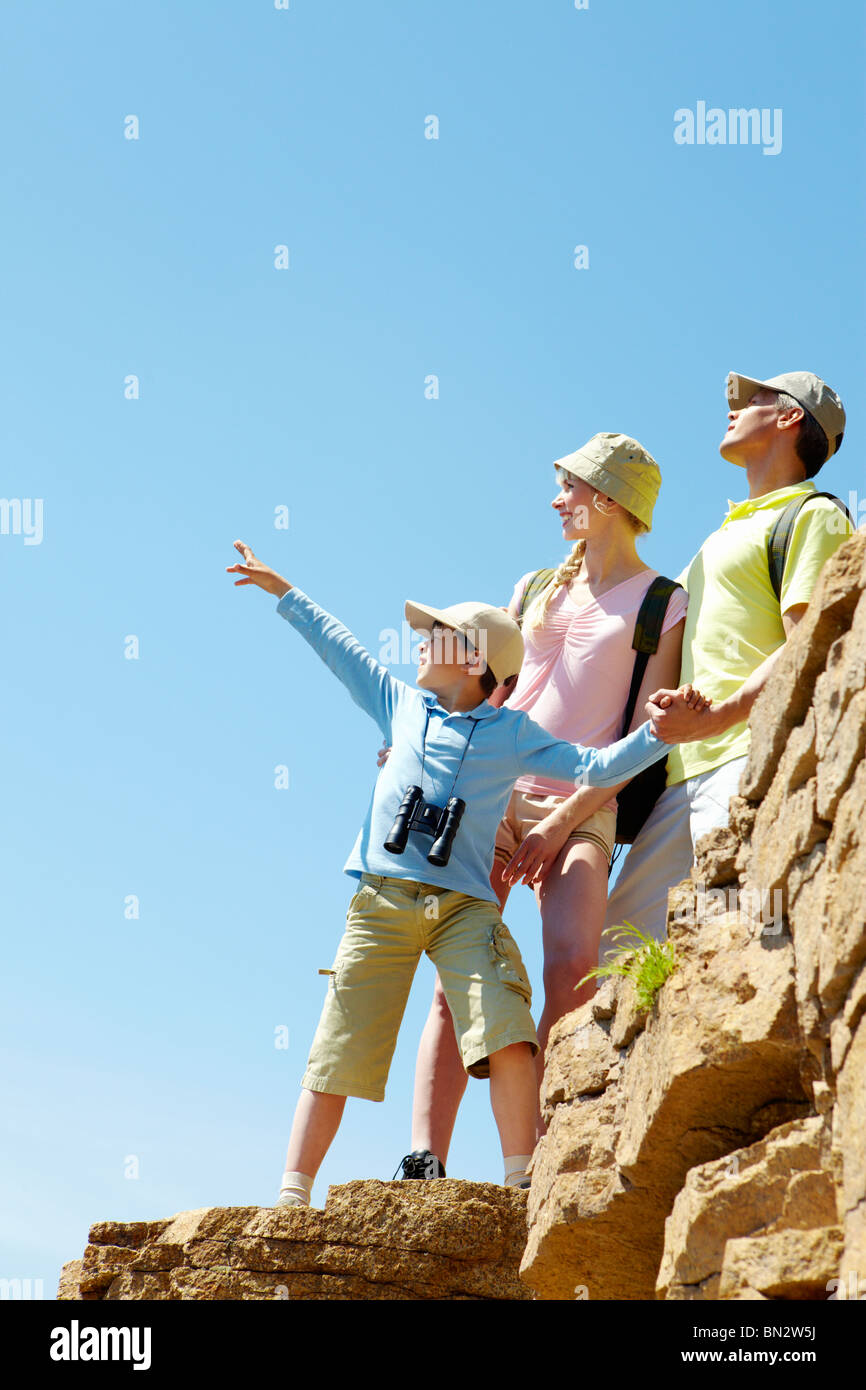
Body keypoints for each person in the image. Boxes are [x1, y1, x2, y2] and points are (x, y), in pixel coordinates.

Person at [224, 538, 694, 1208]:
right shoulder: (399, 705)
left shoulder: (511, 734)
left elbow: (591, 770)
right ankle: (292, 1194)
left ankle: (520, 1181)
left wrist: (660, 735)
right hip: (381, 903)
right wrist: (283, 591)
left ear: (474, 660)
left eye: (435, 635)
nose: (418, 641)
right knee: (337, 1048)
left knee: (505, 1030)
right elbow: (339, 648)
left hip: (466, 909)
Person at [398, 434, 695, 1179]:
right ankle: (423, 1157)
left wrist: (564, 821)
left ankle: (534, 1157)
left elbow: (642, 736)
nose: (556, 501)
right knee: (460, 968)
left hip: (584, 801)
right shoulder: (533, 587)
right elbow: (483, 692)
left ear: (607, 499)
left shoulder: (663, 602)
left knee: (571, 966)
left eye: (568, 488)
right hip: (492, 792)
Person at [608, 370, 854, 944]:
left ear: (791, 417)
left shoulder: (814, 515)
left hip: (743, 762)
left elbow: (807, 647)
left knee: (739, 934)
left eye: (757, 398)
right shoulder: (721, 533)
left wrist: (720, 716)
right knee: (617, 950)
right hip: (677, 775)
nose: (735, 408)